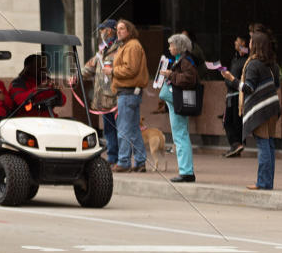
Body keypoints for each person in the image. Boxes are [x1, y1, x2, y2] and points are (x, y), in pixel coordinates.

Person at [241, 29, 282, 190]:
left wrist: (233, 81)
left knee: (263, 144)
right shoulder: (274, 65)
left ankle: (263, 182)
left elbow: (248, 88)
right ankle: (267, 182)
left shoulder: (253, 64)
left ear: (256, 45)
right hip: (272, 108)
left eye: (251, 41)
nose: (248, 43)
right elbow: (276, 85)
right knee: (269, 144)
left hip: (260, 111)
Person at [157, 32, 200, 182]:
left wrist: (170, 75)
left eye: (172, 45)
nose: (169, 47)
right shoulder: (181, 60)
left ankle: (186, 172)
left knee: (180, 136)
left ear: (179, 47)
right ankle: (185, 170)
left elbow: (189, 79)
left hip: (179, 102)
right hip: (176, 102)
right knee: (180, 135)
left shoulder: (185, 61)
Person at [110, 19, 150, 171]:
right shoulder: (128, 45)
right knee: (133, 129)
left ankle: (124, 162)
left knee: (124, 129)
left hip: (128, 93)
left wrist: (112, 71)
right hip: (129, 93)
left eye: (122, 28)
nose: (118, 31)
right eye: (117, 29)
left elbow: (130, 69)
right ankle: (140, 162)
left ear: (129, 30)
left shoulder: (132, 46)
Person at [79, 19, 121, 164]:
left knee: (121, 129)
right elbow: (89, 67)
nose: (101, 33)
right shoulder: (102, 50)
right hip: (103, 98)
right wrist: (76, 77)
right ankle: (112, 157)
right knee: (109, 129)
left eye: (102, 30)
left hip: (116, 96)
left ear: (109, 30)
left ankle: (123, 159)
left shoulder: (120, 48)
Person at [218, 34, 250, 156]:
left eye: (237, 41)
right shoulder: (235, 58)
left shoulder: (248, 58)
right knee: (228, 121)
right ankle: (235, 145)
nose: (235, 43)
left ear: (243, 42)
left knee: (236, 121)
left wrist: (243, 48)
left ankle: (237, 144)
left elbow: (249, 51)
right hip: (230, 94)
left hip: (239, 94)